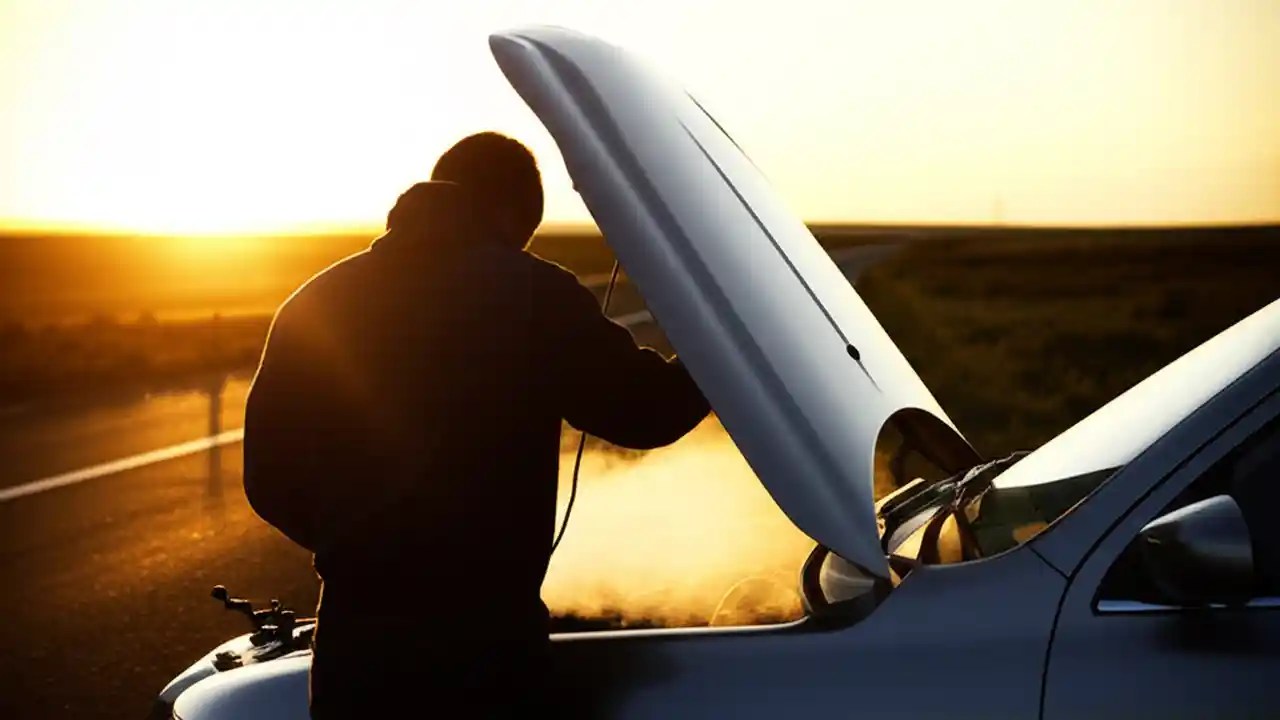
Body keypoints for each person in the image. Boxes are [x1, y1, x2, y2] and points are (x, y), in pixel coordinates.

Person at [241, 132, 711, 718]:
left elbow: (268, 477)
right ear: (513, 213)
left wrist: (360, 540)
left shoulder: (314, 300)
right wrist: (722, 346)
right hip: (488, 649)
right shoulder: (534, 293)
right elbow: (646, 411)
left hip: (356, 650)